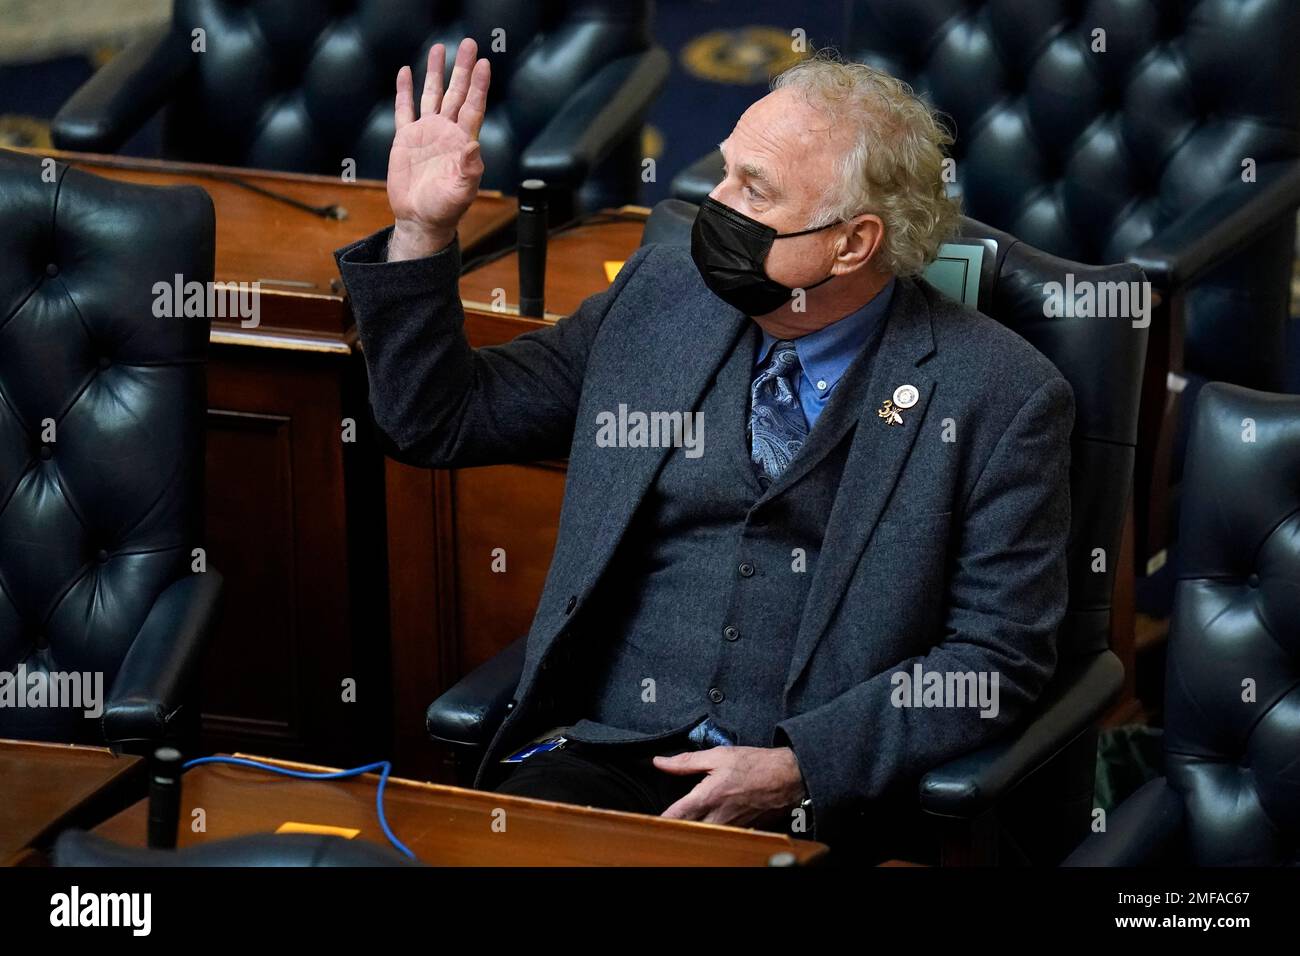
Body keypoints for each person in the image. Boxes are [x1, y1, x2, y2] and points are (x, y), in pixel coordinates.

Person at [335, 38, 1073, 852]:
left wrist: (801, 766)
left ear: (852, 244)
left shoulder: (1000, 393)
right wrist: (421, 230)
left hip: (824, 803)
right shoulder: (659, 299)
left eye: (752, 190)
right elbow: (440, 420)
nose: (711, 203)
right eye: (725, 169)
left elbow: (995, 660)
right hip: (610, 759)